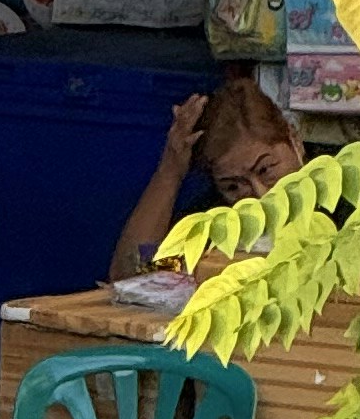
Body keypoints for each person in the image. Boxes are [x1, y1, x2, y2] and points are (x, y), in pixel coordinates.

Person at [110, 70, 307, 277]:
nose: (260, 195)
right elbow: (132, 271)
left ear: (294, 140)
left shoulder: (338, 196)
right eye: (233, 187)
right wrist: (170, 171)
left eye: (266, 169)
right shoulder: (214, 222)